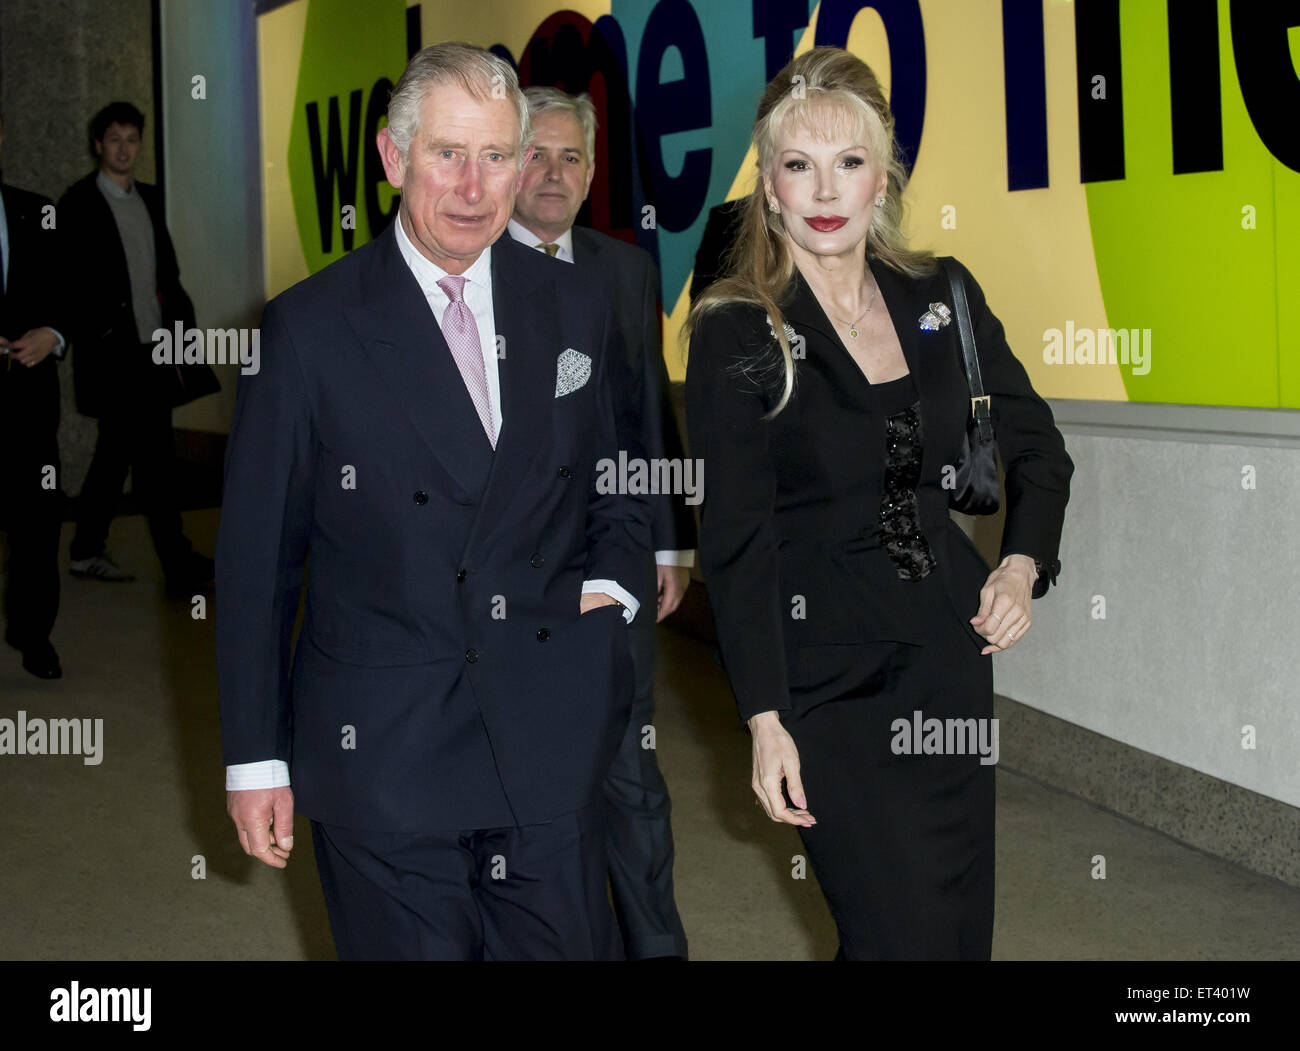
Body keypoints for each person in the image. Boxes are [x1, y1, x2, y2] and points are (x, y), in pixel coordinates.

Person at [217, 42, 651, 961]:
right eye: (447, 154)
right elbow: (258, 563)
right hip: (385, 757)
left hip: (546, 735)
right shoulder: (308, 329)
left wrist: (612, 595)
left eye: (498, 156)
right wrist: (255, 757)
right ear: (391, 158)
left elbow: (616, 474)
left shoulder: (574, 306)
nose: (473, 185)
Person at [684, 47, 1073, 960]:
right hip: (824, 685)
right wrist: (765, 717)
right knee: (892, 929)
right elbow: (737, 540)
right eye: (798, 165)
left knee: (953, 935)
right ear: (770, 186)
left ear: (883, 178)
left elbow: (1038, 450)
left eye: (849, 163)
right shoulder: (740, 326)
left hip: (946, 662)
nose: (825, 189)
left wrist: (1021, 562)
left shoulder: (944, 295)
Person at [508, 86, 694, 960]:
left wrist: (666, 540)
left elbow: (647, 410)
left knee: (630, 778)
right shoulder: (466, 273)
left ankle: (656, 948)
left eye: (570, 157)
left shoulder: (624, 271)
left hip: (612, 564)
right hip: (506, 580)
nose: (552, 174)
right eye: (534, 154)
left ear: (591, 174)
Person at [58, 101, 214, 596]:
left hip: (156, 347)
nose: (124, 148)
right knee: (153, 458)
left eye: (132, 139)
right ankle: (177, 562)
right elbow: (72, 284)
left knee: (116, 453)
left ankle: (85, 548)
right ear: (97, 146)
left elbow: (165, 274)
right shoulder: (78, 203)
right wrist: (99, 335)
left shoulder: (150, 197)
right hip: (116, 354)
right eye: (115, 139)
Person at [0, 112, 67, 679]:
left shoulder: (38, 210)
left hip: (29, 400)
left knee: (37, 523)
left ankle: (32, 632)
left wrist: (54, 333)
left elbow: (72, 290)